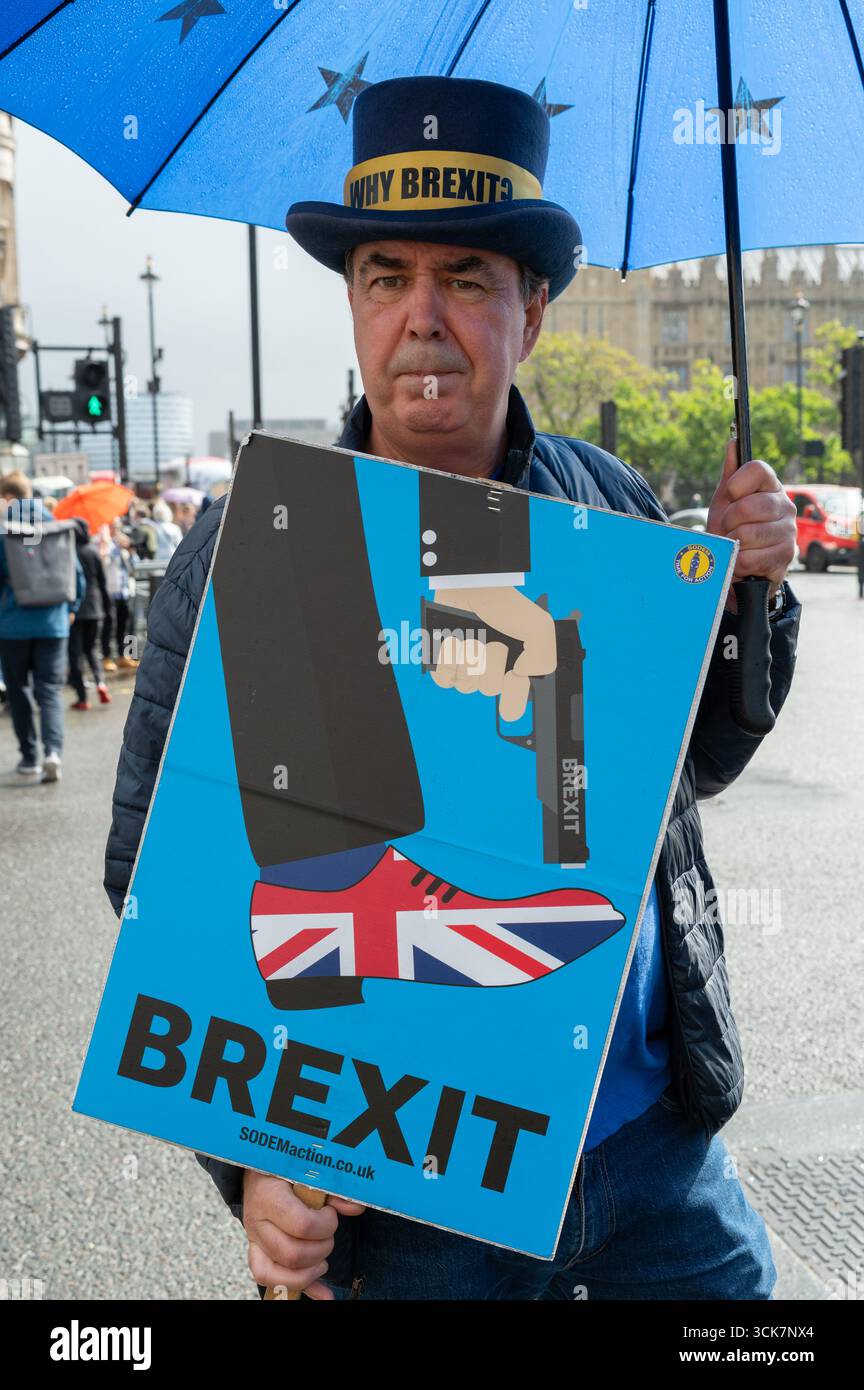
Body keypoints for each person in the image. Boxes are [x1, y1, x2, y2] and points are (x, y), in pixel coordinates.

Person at [104, 77, 800, 1300]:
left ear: (531, 312)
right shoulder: (251, 541)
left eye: (467, 279)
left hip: (645, 1159)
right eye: (386, 276)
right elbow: (156, 873)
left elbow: (700, 761)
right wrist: (255, 1157)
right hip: (410, 1183)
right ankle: (376, 897)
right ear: (356, 307)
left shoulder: (610, 506)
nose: (421, 318)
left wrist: (749, 594)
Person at [0, 469, 84, 782]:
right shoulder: (55, 524)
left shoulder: (3, 530)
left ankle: (30, 758)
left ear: (8, 497)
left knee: (19, 691)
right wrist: (71, 609)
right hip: (54, 622)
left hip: (12, 624)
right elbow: (77, 576)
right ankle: (53, 752)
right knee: (49, 691)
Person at [68, 517, 111, 711]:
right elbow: (102, 582)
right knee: (92, 649)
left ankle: (82, 697)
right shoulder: (93, 552)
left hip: (75, 610)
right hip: (95, 607)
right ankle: (101, 683)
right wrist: (107, 607)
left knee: (75, 654)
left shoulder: (69, 553)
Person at [99, 521, 138, 672]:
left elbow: (134, 566)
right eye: (113, 526)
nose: (116, 529)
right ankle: (107, 656)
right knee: (109, 625)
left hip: (126, 590)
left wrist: (130, 550)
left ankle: (126, 655)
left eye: (117, 526)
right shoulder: (105, 543)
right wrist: (114, 547)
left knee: (126, 624)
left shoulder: (123, 545)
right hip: (110, 591)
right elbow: (104, 562)